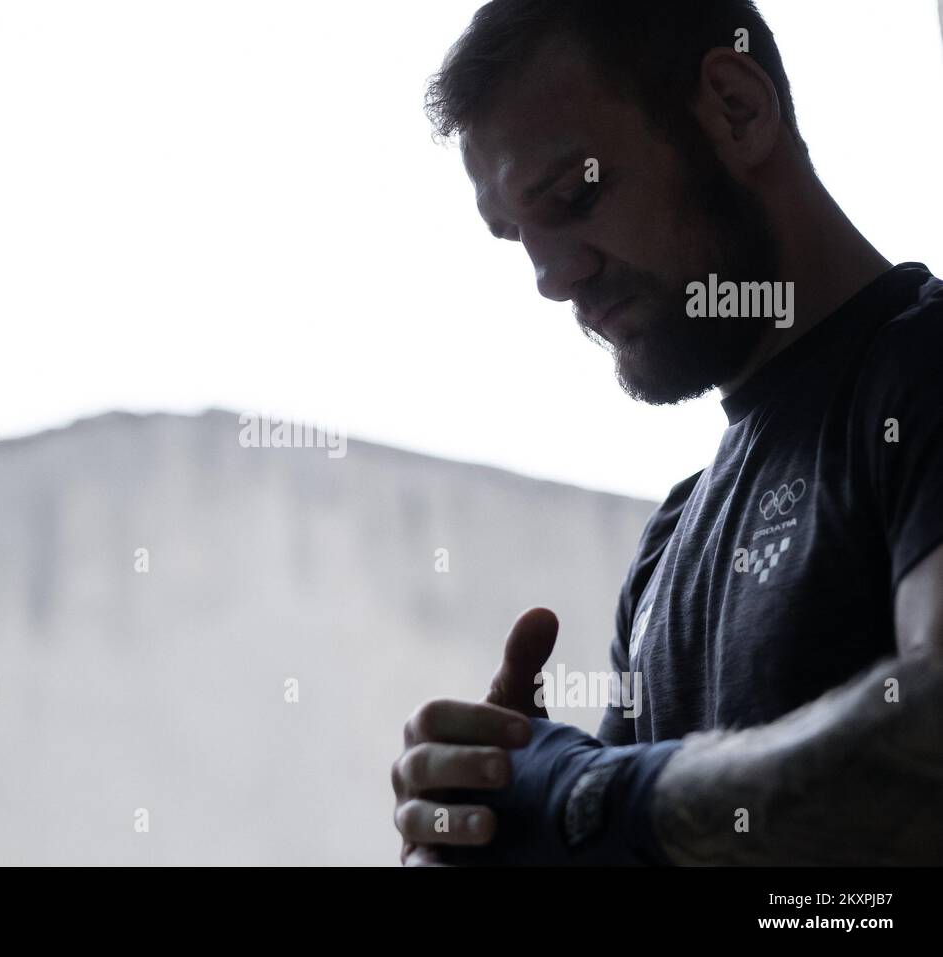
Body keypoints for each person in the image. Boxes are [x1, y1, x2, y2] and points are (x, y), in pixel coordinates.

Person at [391, 0, 943, 866]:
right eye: (517, 238)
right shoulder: (670, 543)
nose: (550, 276)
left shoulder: (925, 370)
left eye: (577, 192)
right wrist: (501, 819)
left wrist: (580, 797)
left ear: (737, 110)